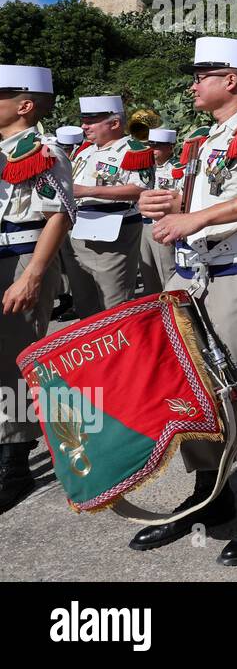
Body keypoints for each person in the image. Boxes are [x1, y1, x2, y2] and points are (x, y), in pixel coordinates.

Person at [132, 36, 237, 566]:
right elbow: (207, 197)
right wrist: (170, 203)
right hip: (194, 273)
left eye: (202, 74)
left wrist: (198, 218)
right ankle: (210, 490)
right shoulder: (206, 140)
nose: (193, 83)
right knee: (188, 384)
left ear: (232, 80)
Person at [0, 65, 74, 515]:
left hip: (23, 257)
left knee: (16, 362)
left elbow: (59, 214)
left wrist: (33, 276)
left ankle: (15, 463)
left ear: (24, 104)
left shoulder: (42, 150)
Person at [68, 95, 152, 314]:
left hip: (114, 229)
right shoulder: (84, 152)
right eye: (84, 119)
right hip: (80, 228)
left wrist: (87, 191)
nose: (84, 125)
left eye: (92, 120)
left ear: (114, 123)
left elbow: (141, 189)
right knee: (85, 304)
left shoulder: (133, 150)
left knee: (114, 304)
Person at [137, 127, 181, 294]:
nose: (152, 151)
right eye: (150, 146)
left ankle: (173, 307)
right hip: (143, 223)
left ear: (170, 147)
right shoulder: (145, 166)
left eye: (157, 146)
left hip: (163, 222)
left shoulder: (177, 168)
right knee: (148, 271)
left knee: (167, 270)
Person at [49, 125, 84, 320]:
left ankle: (78, 303)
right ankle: (67, 299)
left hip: (80, 218)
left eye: (70, 148)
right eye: (63, 147)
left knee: (78, 265)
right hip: (60, 217)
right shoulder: (56, 156)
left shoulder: (83, 157)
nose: (66, 151)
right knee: (65, 265)